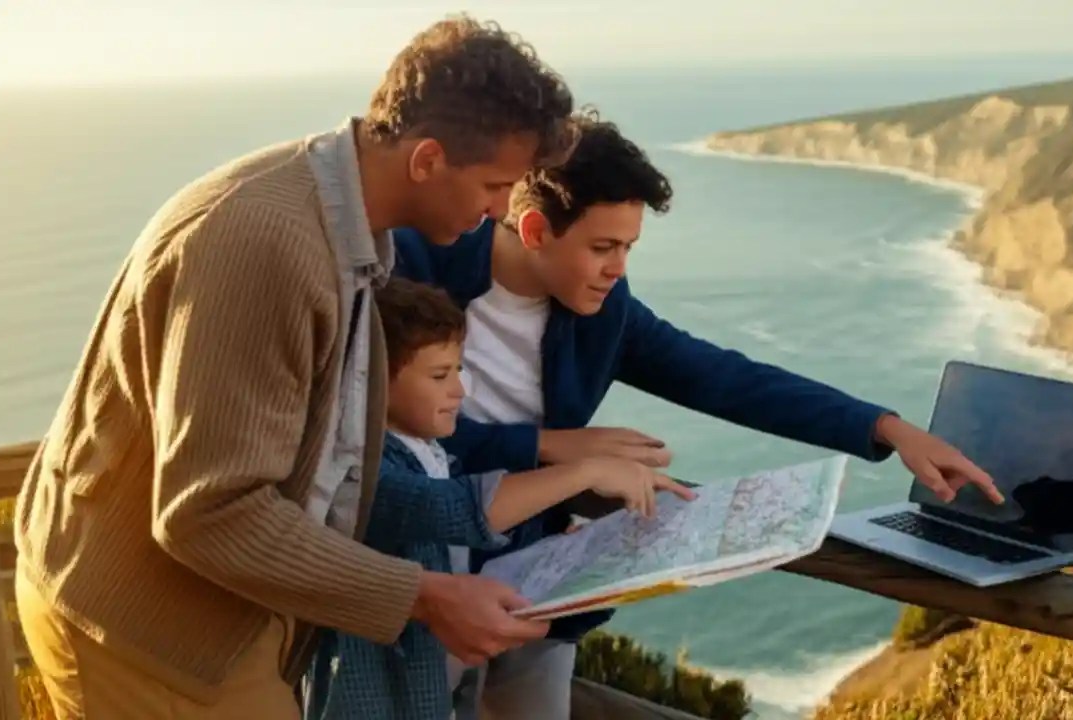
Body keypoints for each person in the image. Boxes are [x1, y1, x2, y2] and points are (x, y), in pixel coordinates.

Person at [13, 15, 579, 720]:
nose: (502, 210)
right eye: (496, 185)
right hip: (144, 623)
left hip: (218, 607)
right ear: (428, 158)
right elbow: (208, 514)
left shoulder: (341, 222)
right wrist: (423, 595)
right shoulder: (266, 244)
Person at [391, 111, 1005, 719]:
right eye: (602, 247)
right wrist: (551, 447)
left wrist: (885, 429)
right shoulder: (418, 261)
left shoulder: (606, 309)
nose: (619, 268)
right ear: (533, 230)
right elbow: (385, 436)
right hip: (421, 569)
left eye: (629, 247)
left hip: (536, 573)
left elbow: (724, 378)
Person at [301, 277, 695, 720]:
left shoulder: (431, 452)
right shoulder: (365, 467)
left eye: (459, 370)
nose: (459, 390)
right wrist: (589, 469)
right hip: (369, 697)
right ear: (372, 381)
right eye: (439, 375)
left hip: (432, 688)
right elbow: (450, 508)